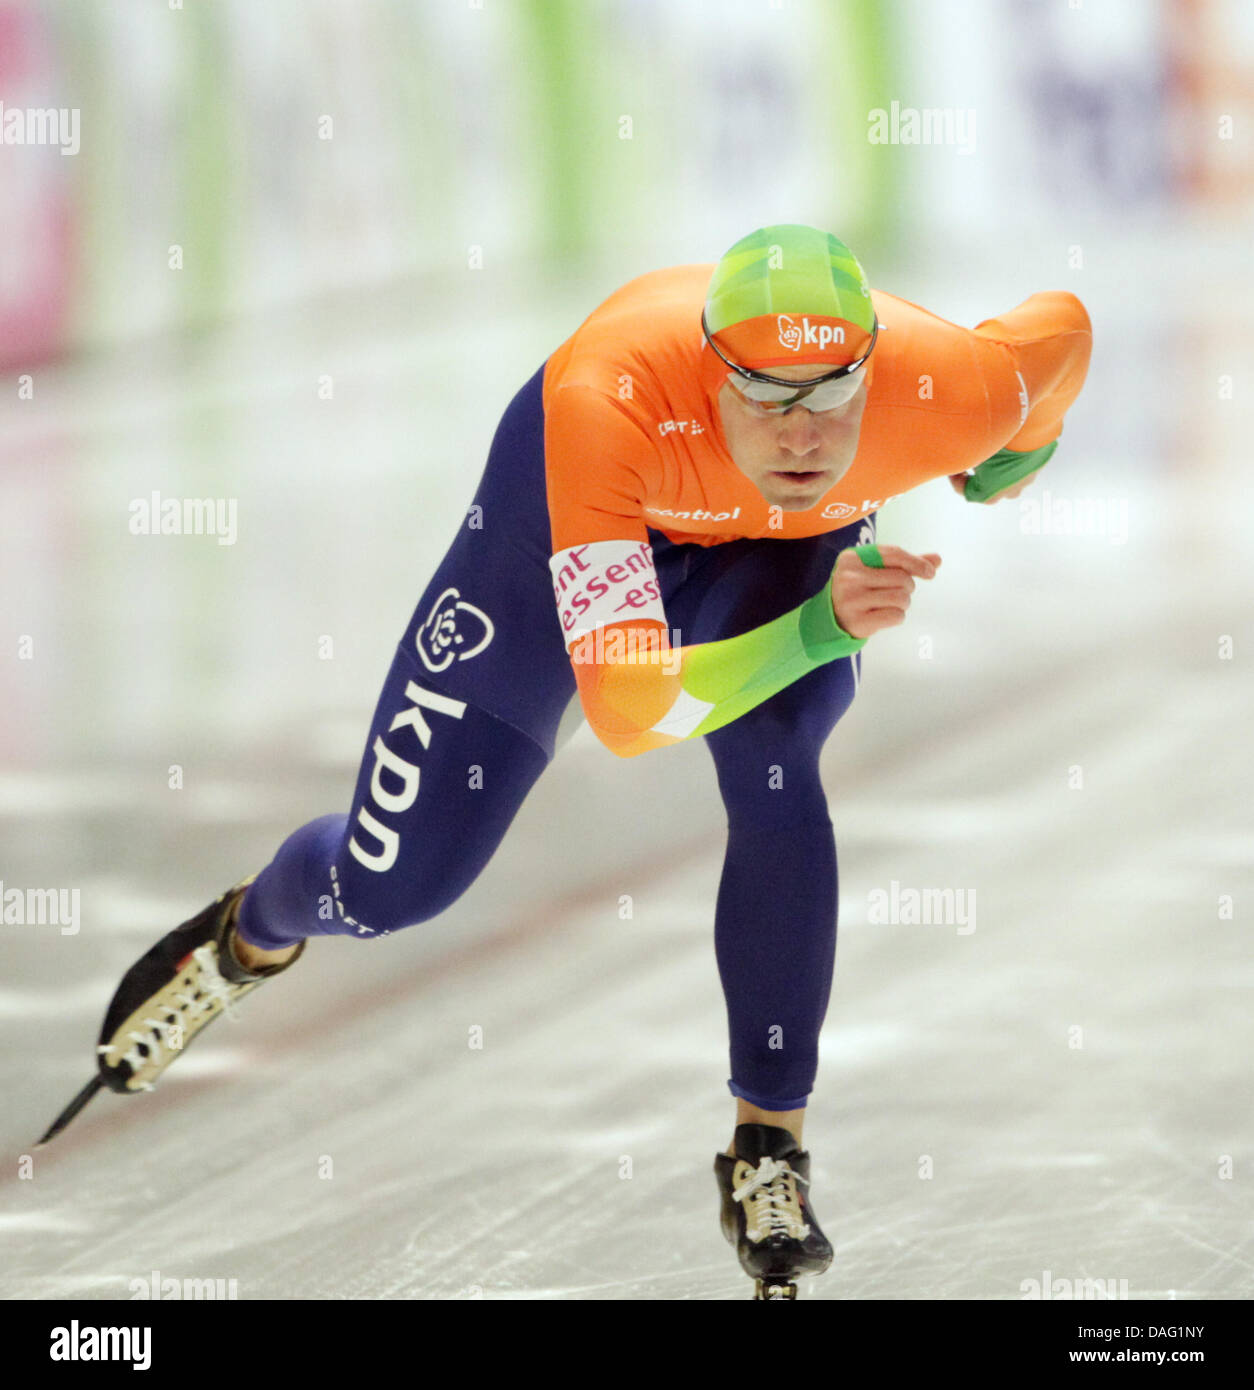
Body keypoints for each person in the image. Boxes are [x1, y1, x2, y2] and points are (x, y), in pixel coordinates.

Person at [60, 223, 1092, 1298]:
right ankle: (248, 935)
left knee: (779, 764)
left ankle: (768, 1150)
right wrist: (821, 632)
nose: (801, 434)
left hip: (781, 554)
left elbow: (1063, 338)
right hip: (563, 533)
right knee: (394, 885)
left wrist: (1025, 448)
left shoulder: (955, 389)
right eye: (766, 394)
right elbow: (634, 714)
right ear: (710, 368)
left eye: (830, 394)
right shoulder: (606, 401)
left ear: (875, 369)